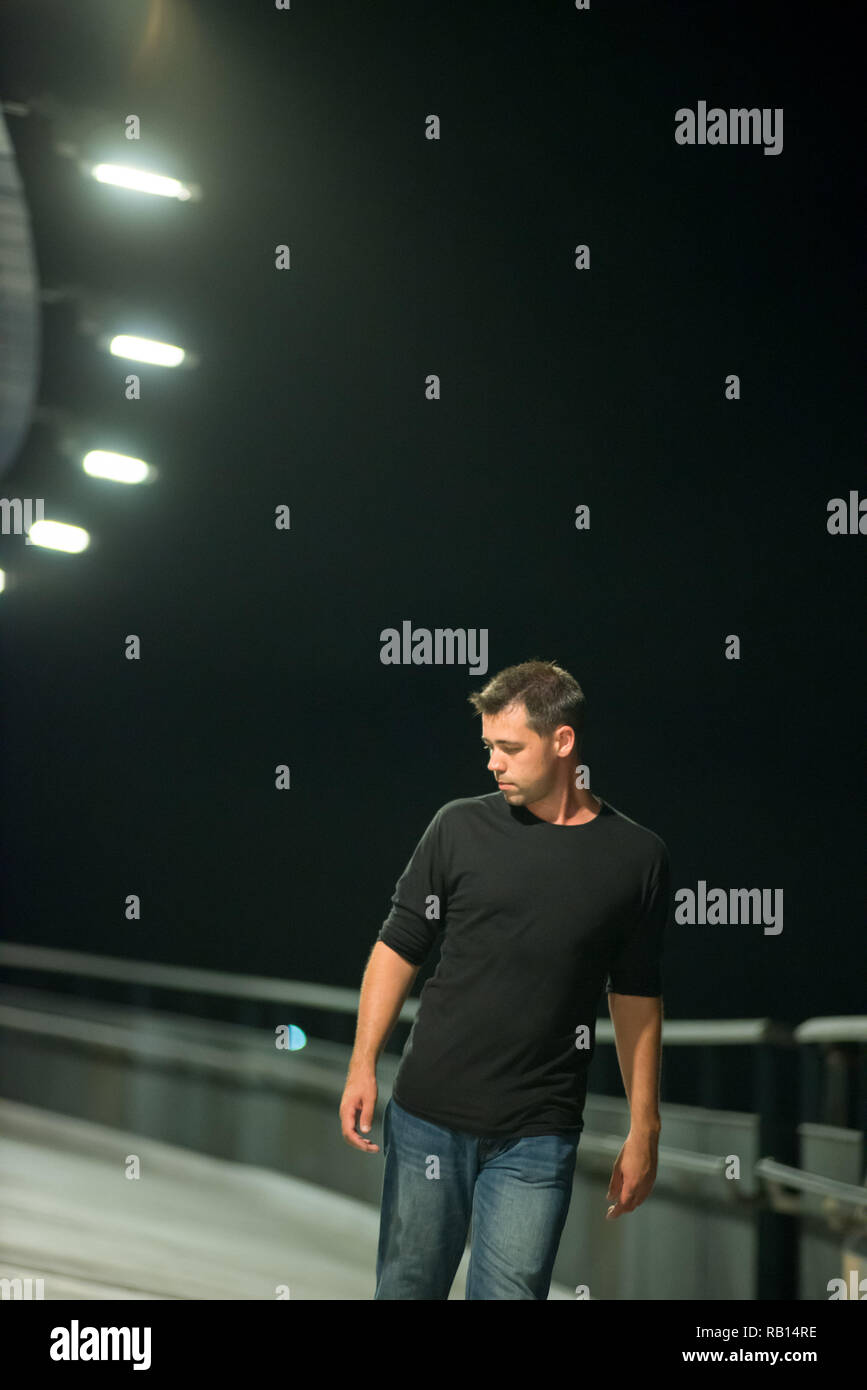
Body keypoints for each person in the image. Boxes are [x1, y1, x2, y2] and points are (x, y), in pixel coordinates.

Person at [339, 659, 671, 1299]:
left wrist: (645, 1126)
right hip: (429, 1112)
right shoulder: (458, 826)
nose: (493, 762)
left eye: (509, 748)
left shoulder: (637, 857)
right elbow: (398, 945)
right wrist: (362, 1064)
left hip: (539, 1131)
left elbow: (635, 995)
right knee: (408, 1289)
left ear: (563, 742)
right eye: (489, 746)